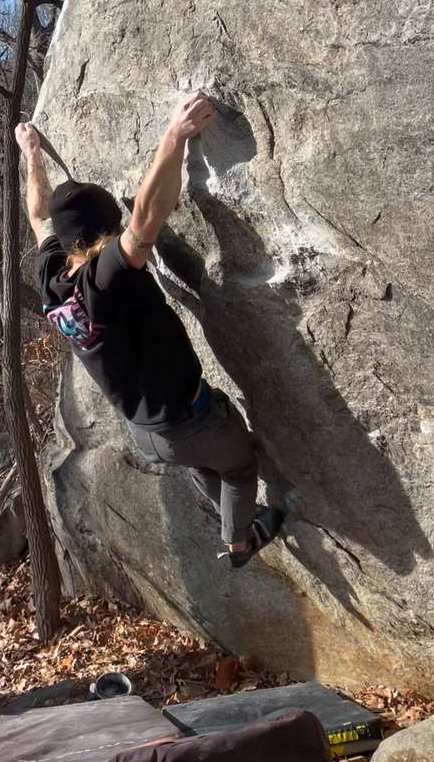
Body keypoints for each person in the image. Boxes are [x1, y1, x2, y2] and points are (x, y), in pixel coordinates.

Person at [15, 90, 284, 568]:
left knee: (201, 459)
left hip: (145, 429)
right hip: (187, 419)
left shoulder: (54, 278)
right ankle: (240, 544)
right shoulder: (108, 278)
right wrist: (174, 137)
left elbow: (37, 215)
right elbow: (146, 218)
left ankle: (224, 515)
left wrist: (31, 155)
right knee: (240, 464)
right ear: (103, 234)